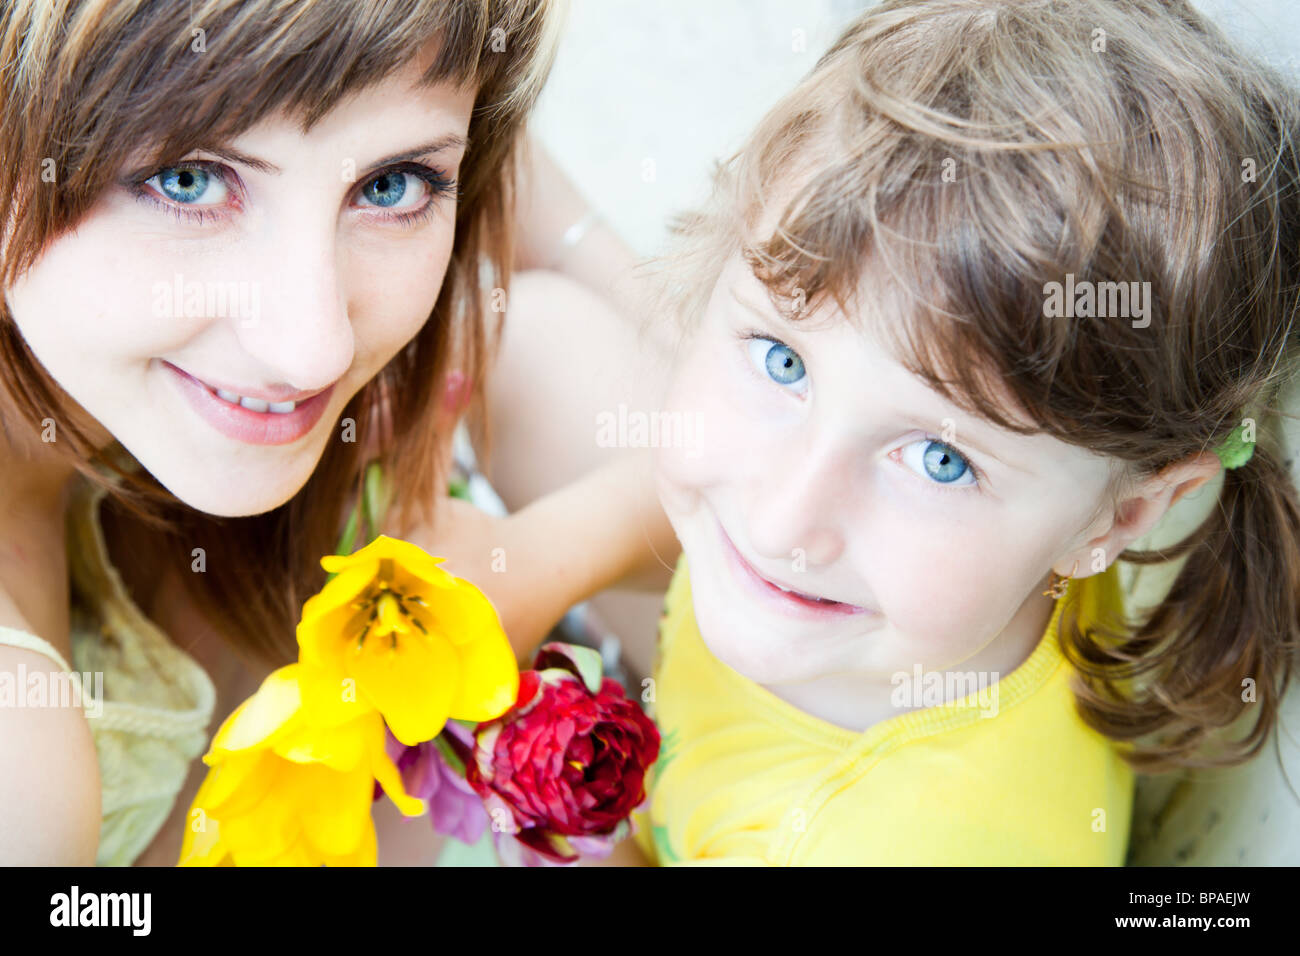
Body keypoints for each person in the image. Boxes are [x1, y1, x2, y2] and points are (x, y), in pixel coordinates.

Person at [591, 0, 1298, 864]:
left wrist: (573, 835)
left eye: (939, 461)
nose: (780, 522)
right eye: (781, 361)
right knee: (538, 330)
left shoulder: (905, 844)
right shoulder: (1026, 522)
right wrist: (535, 559)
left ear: (1118, 520)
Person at [0, 0, 672, 866]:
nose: (313, 349)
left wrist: (541, 563)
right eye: (189, 181)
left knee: (547, 341)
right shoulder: (25, 765)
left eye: (391, 185)